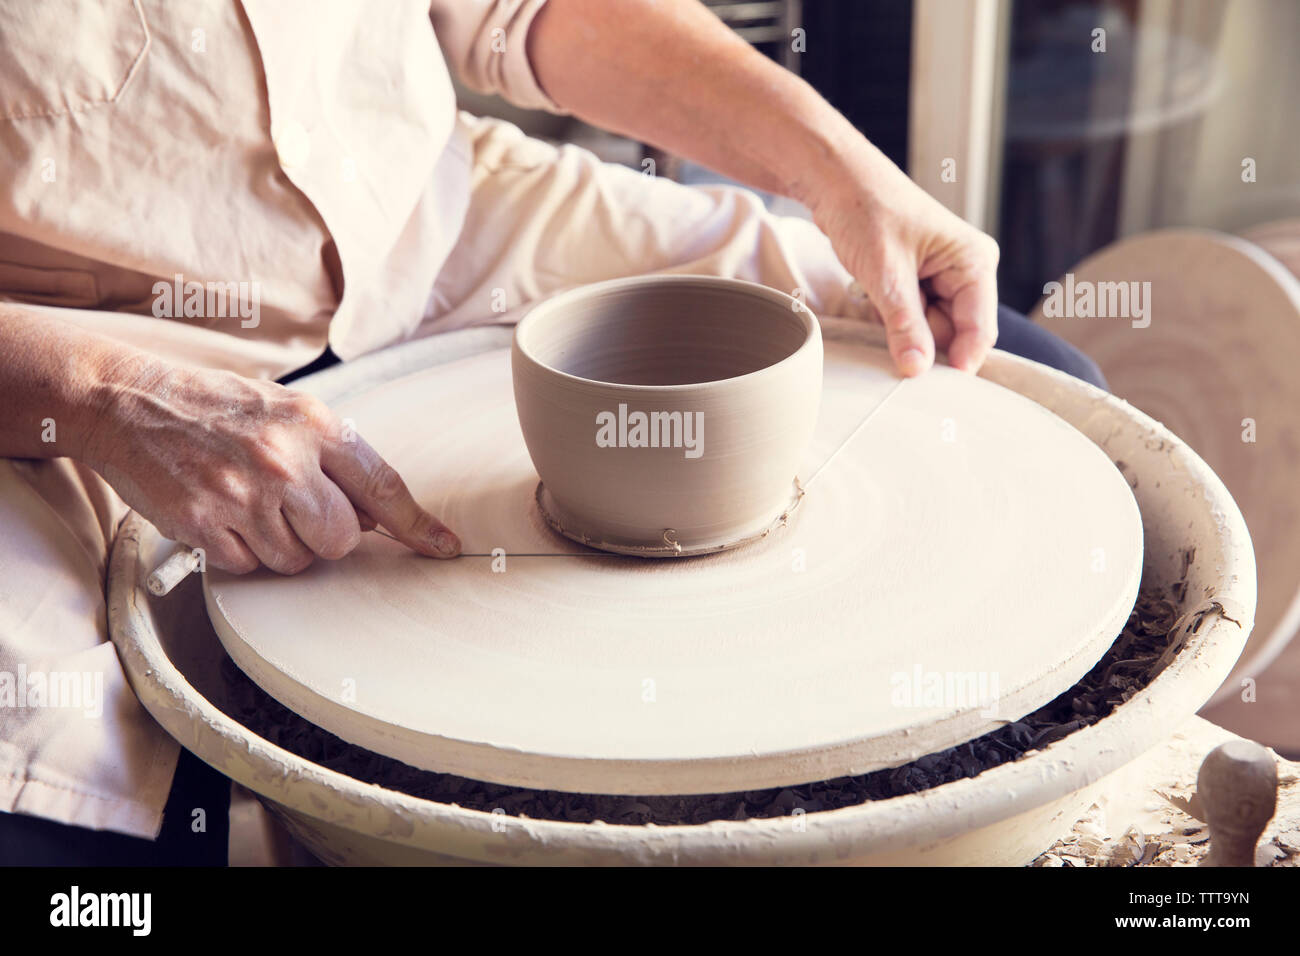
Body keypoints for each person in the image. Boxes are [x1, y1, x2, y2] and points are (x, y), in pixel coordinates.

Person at [0, 0, 1103, 864]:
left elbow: (536, 10)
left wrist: (841, 172)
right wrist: (99, 393)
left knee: (1012, 369)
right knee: (76, 825)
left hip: (432, 226)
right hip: (82, 343)